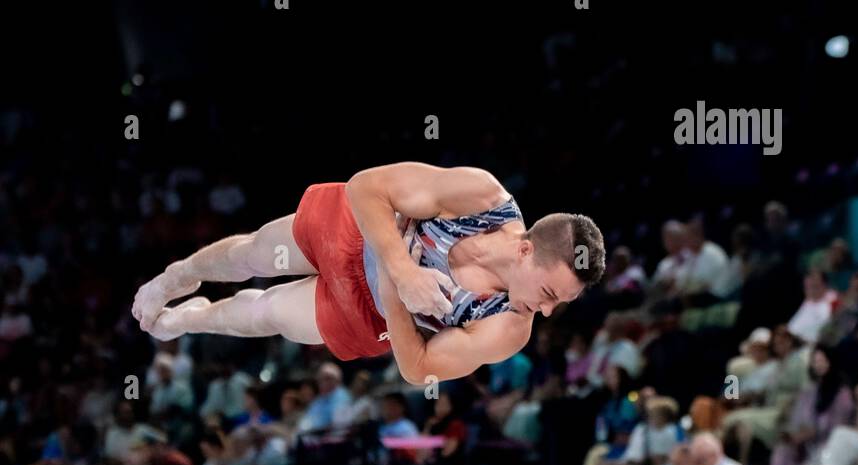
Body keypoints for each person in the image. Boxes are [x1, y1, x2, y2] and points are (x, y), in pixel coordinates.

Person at [133, 162, 605, 382]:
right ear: (525, 251)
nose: (543, 312)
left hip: (374, 314)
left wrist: (394, 290)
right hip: (354, 232)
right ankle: (181, 274)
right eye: (547, 292)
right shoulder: (481, 197)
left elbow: (418, 370)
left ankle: (191, 320)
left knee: (267, 313)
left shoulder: (509, 327)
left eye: (556, 305)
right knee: (254, 254)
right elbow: (366, 187)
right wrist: (402, 269)